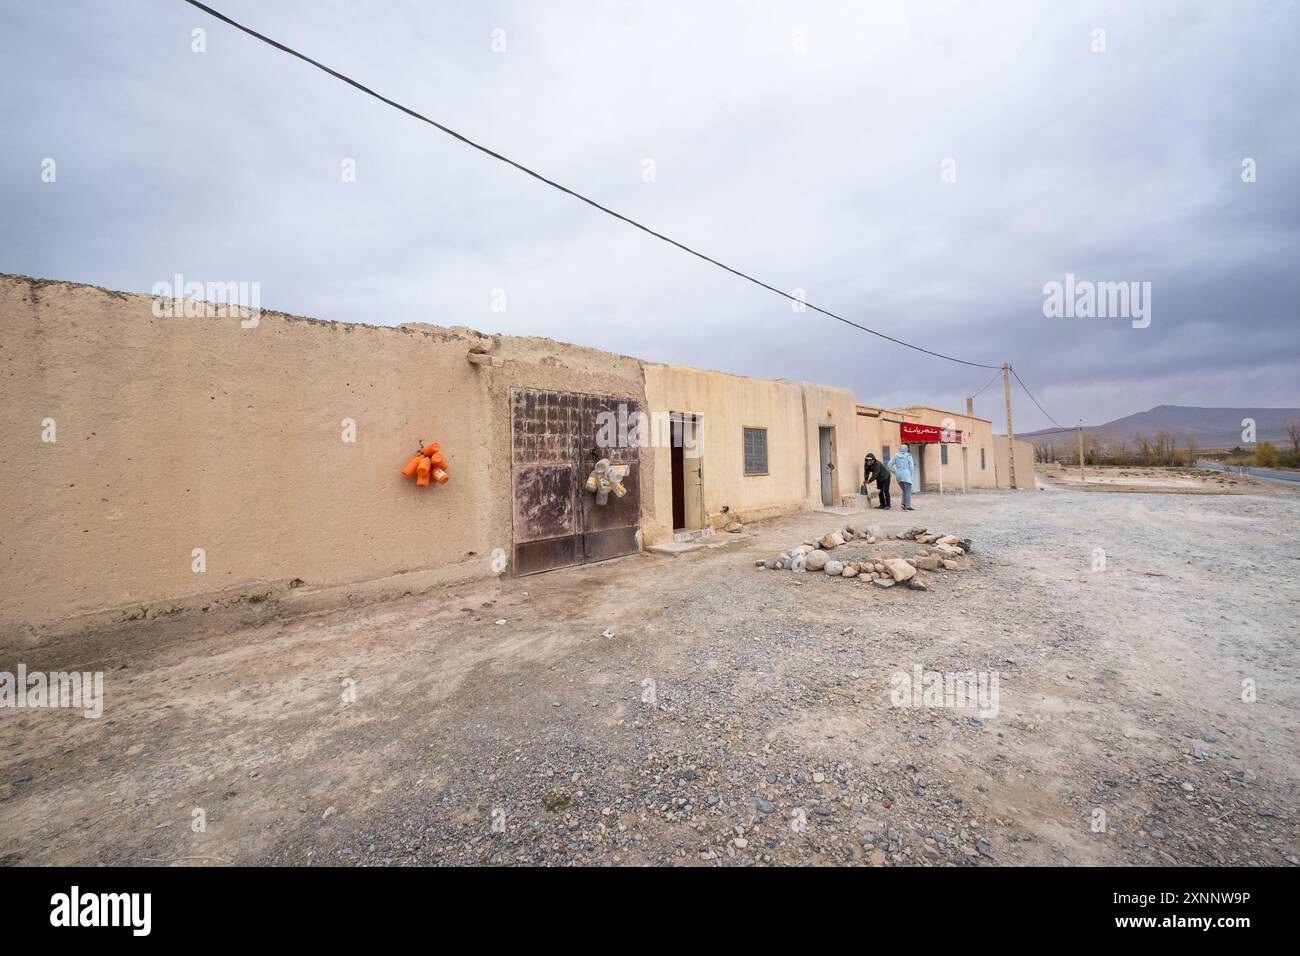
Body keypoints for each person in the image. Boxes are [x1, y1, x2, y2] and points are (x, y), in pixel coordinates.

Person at [890, 444, 916, 511]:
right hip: (906, 475)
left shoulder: (896, 456)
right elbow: (911, 467)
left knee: (904, 490)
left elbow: (889, 464)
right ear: (906, 449)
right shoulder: (909, 456)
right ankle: (907, 507)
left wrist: (895, 471)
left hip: (898, 475)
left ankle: (903, 504)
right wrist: (911, 475)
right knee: (908, 491)